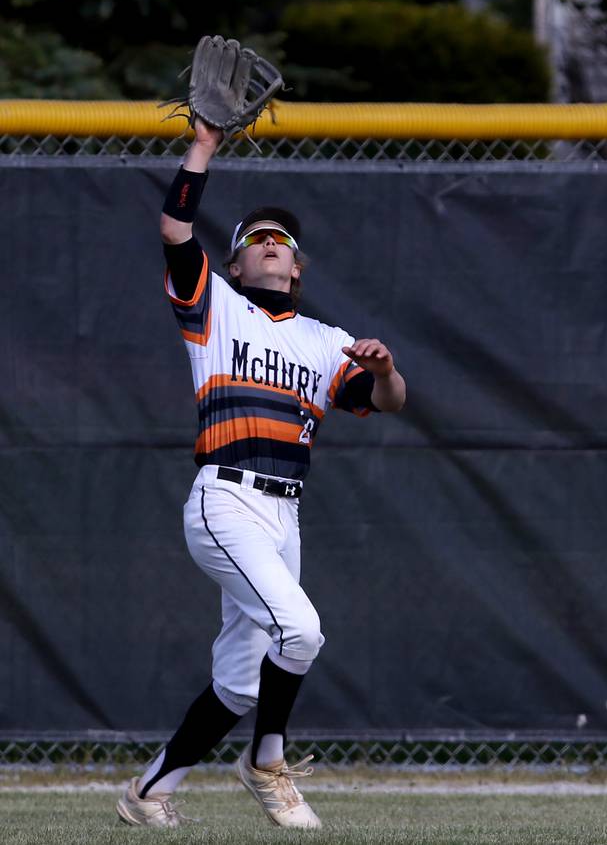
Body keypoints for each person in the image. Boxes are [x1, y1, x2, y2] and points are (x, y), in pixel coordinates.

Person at [116, 120, 406, 829]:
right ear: (238, 264)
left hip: (284, 516)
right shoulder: (215, 308)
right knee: (300, 631)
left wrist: (385, 370)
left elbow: (390, 401)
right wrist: (204, 147)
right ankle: (266, 761)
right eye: (256, 239)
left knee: (241, 682)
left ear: (297, 268)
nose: (271, 243)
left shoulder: (327, 341)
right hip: (226, 500)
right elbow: (175, 229)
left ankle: (147, 792)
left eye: (282, 240)